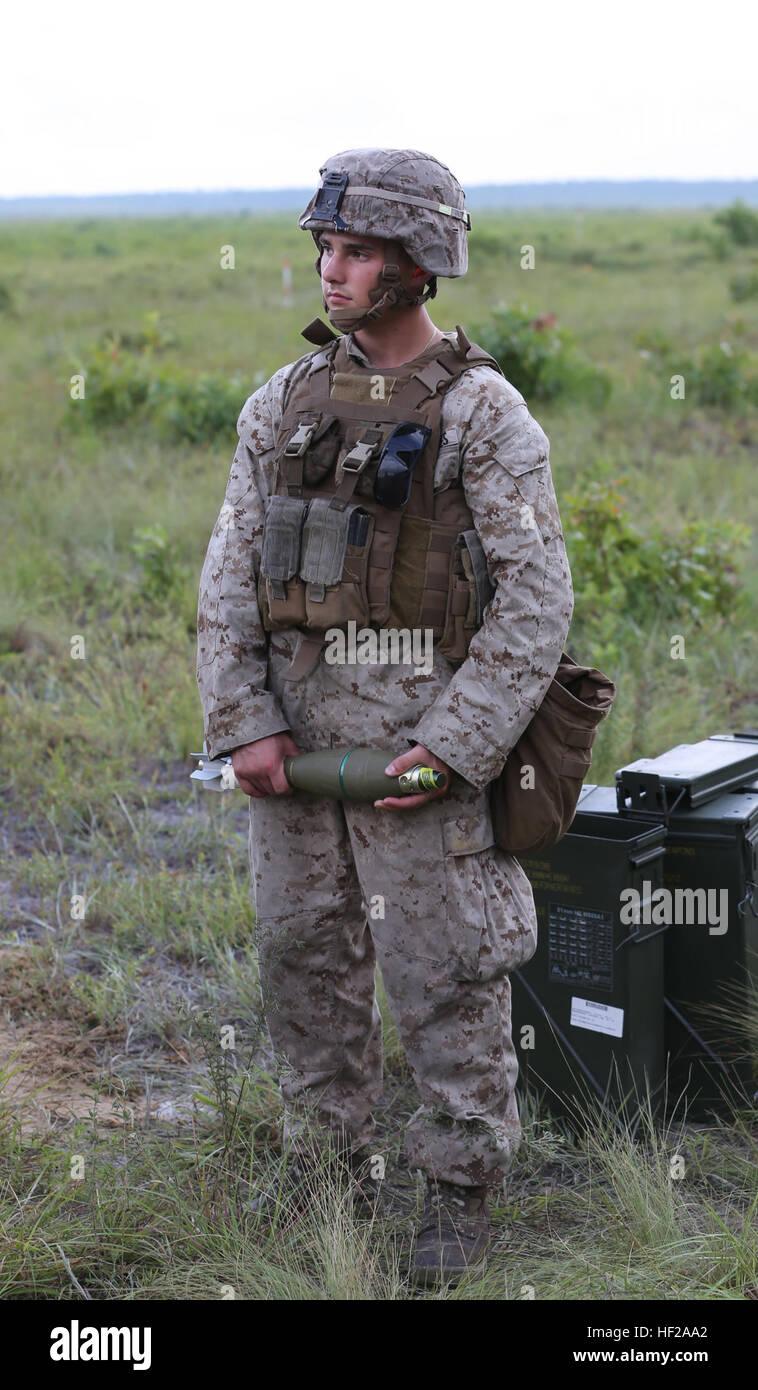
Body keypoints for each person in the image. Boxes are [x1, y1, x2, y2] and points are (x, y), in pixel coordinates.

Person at [196, 148, 574, 1286]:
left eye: (355, 249)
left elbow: (534, 604)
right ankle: (327, 1162)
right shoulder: (283, 401)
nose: (330, 269)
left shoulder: (483, 414)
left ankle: (459, 1185)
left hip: (419, 754)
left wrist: (451, 747)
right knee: (301, 957)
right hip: (299, 752)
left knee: (446, 968)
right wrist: (246, 722)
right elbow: (225, 580)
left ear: (417, 266)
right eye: (324, 246)